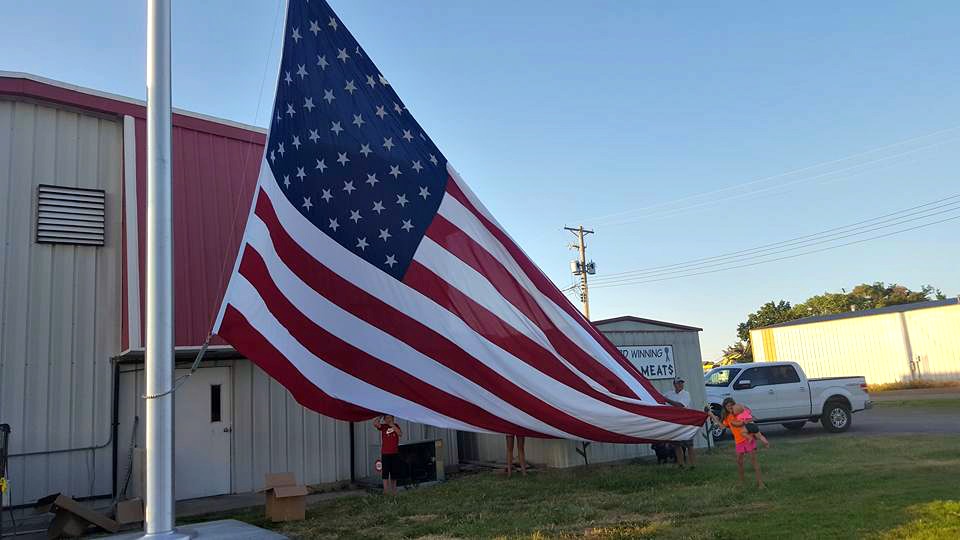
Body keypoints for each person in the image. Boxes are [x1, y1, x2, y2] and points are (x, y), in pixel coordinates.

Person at [707, 398, 765, 488]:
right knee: (739, 462)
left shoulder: (739, 413)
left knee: (754, 461)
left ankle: (760, 483)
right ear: (725, 408)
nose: (730, 407)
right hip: (738, 442)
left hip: (747, 439)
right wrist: (712, 415)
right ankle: (742, 482)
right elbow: (722, 426)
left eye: (731, 405)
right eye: (727, 406)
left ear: (734, 405)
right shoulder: (727, 417)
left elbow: (749, 418)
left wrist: (744, 420)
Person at [663, 378, 696, 468]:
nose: (681, 385)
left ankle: (692, 465)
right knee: (677, 444)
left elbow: (680, 406)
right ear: (674, 384)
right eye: (678, 383)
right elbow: (661, 400)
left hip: (686, 421)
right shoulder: (669, 393)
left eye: (681, 383)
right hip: (675, 421)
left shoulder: (686, 394)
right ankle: (681, 464)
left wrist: (667, 400)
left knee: (689, 444)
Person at [373, 415, 402, 494]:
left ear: (393, 418)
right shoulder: (383, 427)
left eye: (390, 418)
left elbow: (400, 434)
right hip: (385, 453)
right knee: (385, 473)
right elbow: (375, 423)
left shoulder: (396, 426)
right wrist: (380, 416)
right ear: (384, 420)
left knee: (394, 473)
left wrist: (392, 425)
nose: (388, 420)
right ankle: (386, 490)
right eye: (386, 418)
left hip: (394, 453)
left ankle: (394, 490)